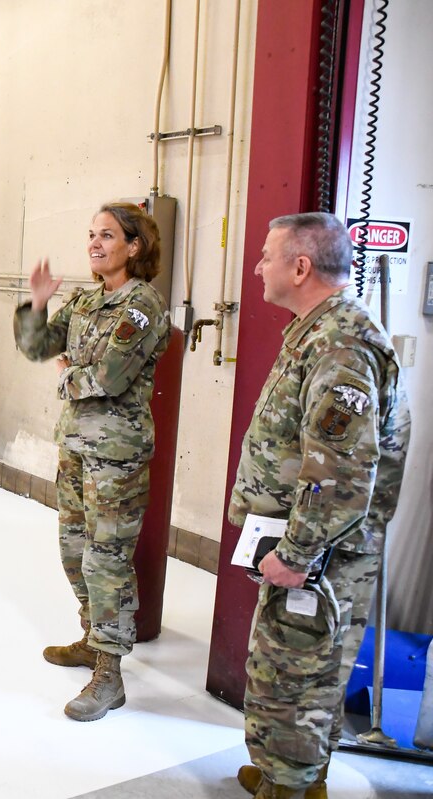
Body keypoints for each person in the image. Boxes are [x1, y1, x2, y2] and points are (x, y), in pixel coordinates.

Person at [229, 212, 410, 799]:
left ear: (300, 266)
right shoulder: (316, 330)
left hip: (321, 553)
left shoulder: (341, 343)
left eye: (266, 256)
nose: (257, 267)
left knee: (298, 677)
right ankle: (295, 775)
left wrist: (298, 551)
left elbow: (339, 472)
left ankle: (291, 785)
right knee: (293, 670)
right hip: (304, 544)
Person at [13, 202, 170, 721]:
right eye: (91, 235)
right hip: (77, 446)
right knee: (74, 553)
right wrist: (37, 304)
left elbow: (110, 377)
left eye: (107, 235)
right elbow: (37, 347)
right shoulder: (84, 302)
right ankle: (92, 638)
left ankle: (110, 673)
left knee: (107, 562)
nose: (95, 244)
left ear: (135, 245)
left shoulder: (142, 306)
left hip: (116, 456)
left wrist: (67, 374)